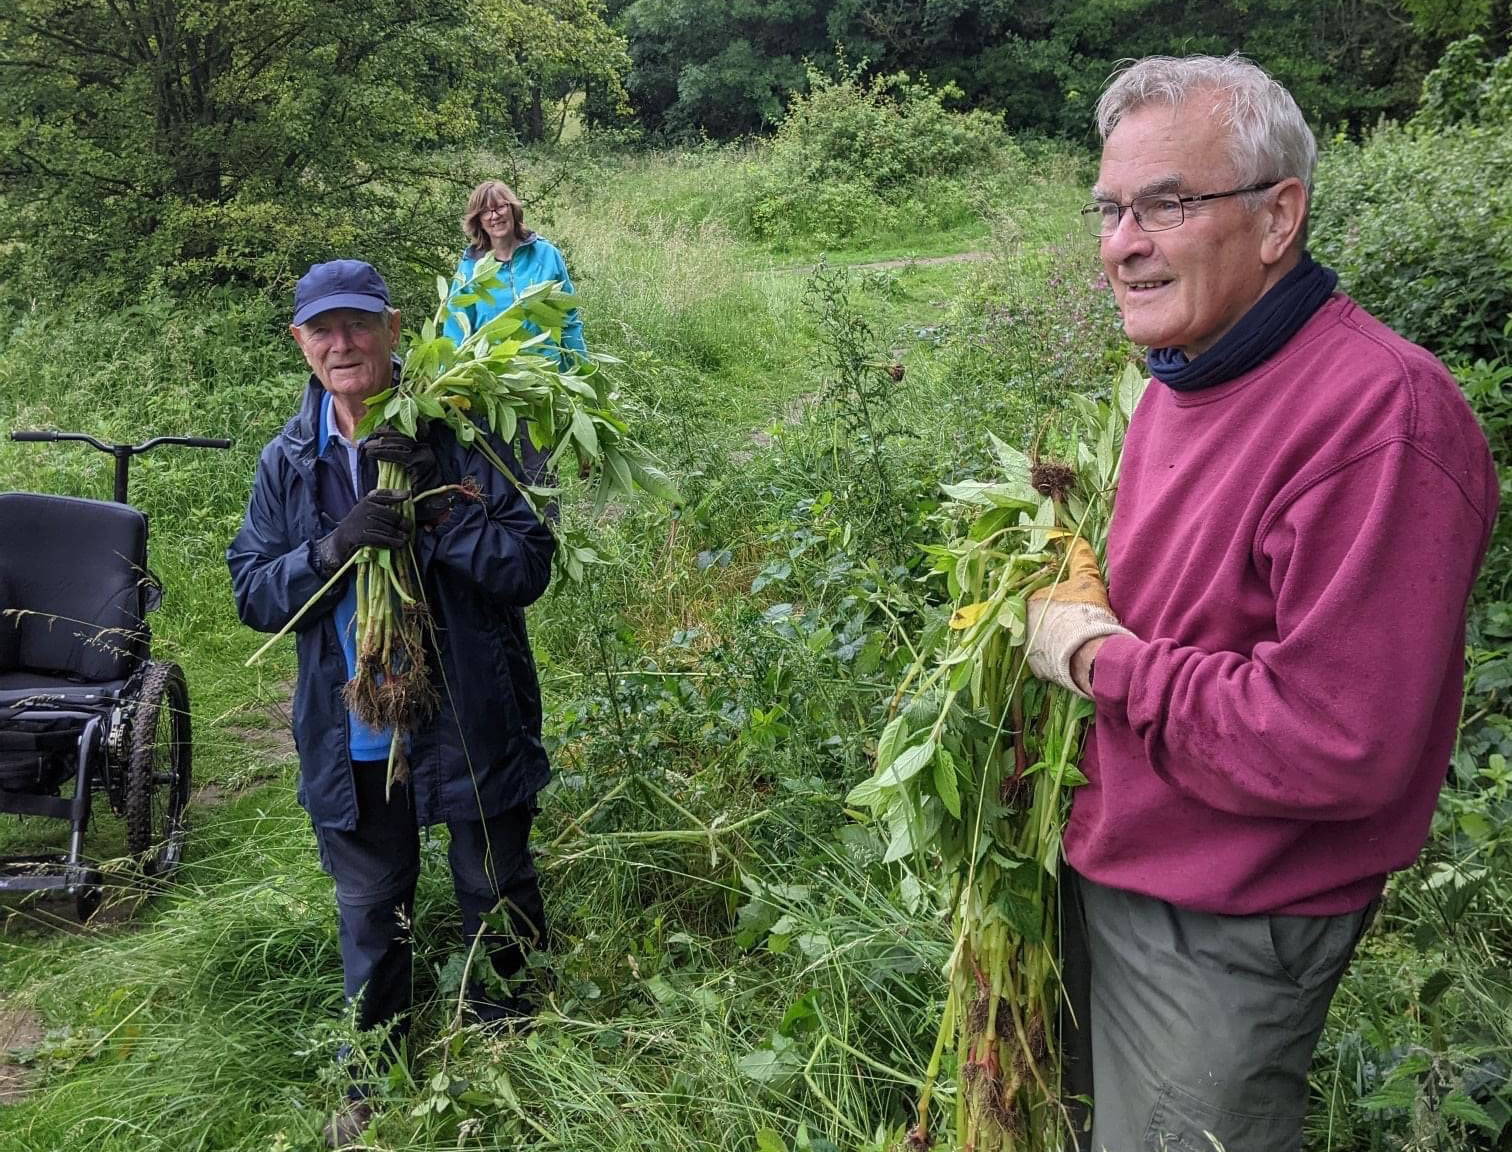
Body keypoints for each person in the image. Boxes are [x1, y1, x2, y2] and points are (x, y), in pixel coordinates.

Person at [1023, 55, 1498, 1152]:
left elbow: (1338, 739)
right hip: (1117, 851)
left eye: (1167, 204)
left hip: (1227, 912)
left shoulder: (1380, 422)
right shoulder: (1190, 367)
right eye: (1109, 208)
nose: (1121, 243)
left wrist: (1098, 661)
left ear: (1279, 217)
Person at [226, 259, 556, 1147]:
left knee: (495, 884)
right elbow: (254, 592)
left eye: (359, 325)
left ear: (395, 328)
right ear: (299, 343)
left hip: (469, 712)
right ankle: (372, 1071)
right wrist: (334, 545)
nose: (343, 345)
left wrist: (441, 512)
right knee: (371, 908)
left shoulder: (467, 432)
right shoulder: (287, 462)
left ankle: (504, 1049)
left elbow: (527, 567)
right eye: (322, 331)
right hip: (354, 729)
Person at [444, 180, 586, 366]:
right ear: (478, 220)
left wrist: (583, 368)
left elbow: (569, 319)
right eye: (486, 211)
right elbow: (455, 330)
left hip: (547, 372)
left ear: (513, 209)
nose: (494, 216)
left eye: (500, 207)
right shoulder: (471, 267)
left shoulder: (546, 255)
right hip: (496, 379)